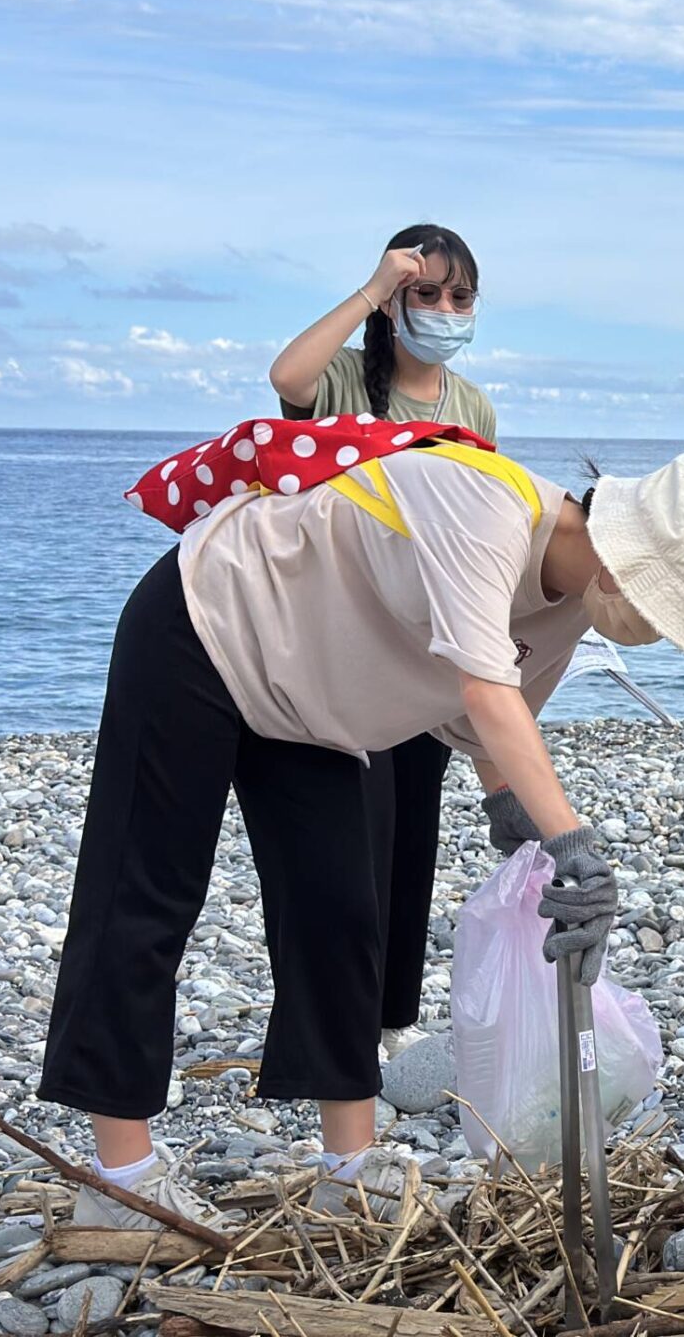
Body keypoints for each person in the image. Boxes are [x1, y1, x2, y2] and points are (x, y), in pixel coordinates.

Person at [41, 438, 684, 1228]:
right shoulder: (485, 508)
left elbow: (491, 722)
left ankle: (348, 1169)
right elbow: (487, 690)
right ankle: (122, 1180)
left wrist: (511, 811)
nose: (649, 629)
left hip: (313, 702)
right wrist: (574, 844)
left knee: (344, 912)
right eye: (657, 604)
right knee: (144, 893)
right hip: (210, 622)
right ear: (616, 548)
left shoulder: (568, 610)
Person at [269, 226, 499, 1061]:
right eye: (425, 294)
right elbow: (284, 378)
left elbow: (485, 528)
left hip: (428, 647)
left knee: (411, 836)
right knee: (342, 844)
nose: (443, 310)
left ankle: (390, 1021)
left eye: (458, 296)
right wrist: (372, 287)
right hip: (336, 648)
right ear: (395, 303)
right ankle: (331, 1021)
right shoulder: (344, 383)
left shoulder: (472, 408)